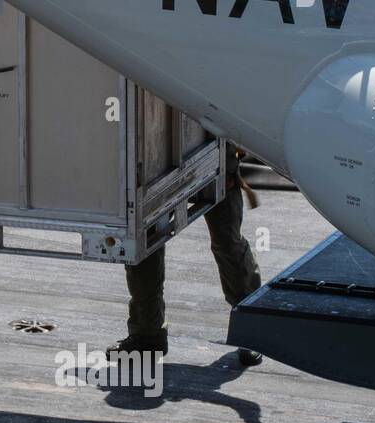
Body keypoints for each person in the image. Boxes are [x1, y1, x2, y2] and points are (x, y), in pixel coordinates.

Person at [110, 144, 262, 356]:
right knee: (145, 241)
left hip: (214, 151)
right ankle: (147, 335)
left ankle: (252, 329)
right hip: (157, 158)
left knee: (227, 242)